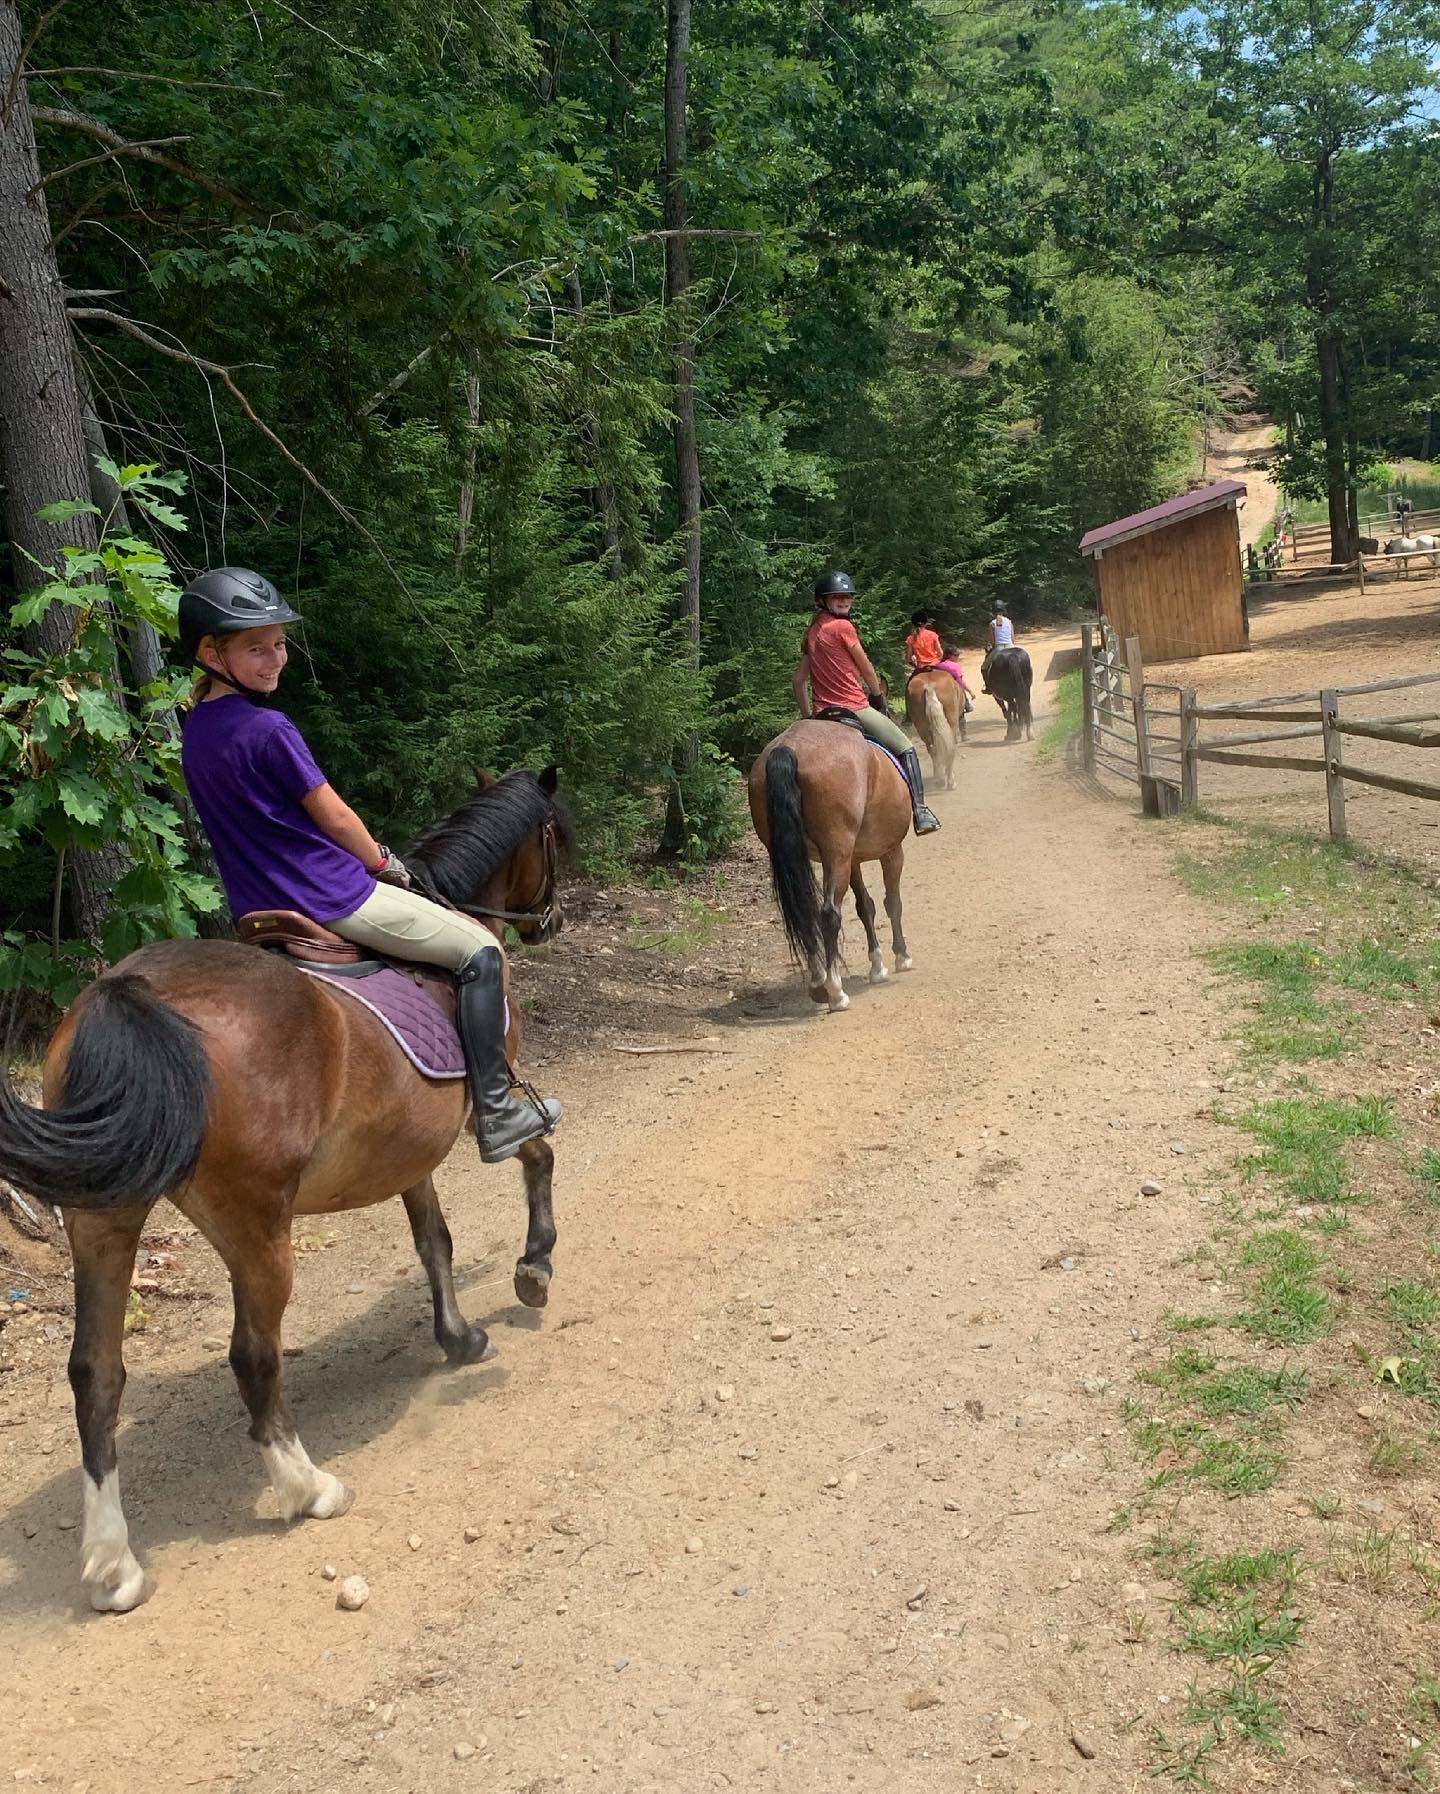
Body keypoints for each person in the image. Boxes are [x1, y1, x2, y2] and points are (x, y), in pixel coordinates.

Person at [176, 566, 560, 1164]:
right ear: (211, 652)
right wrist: (381, 859)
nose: (276, 658)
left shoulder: (196, 728)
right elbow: (331, 815)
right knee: (481, 952)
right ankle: (498, 1109)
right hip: (331, 896)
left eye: (279, 643)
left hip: (255, 906)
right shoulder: (269, 728)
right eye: (256, 647)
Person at [794, 570, 940, 835]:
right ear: (822, 601)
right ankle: (920, 811)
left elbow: (798, 680)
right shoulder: (843, 627)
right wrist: (876, 696)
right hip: (854, 707)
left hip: (823, 713)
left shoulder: (812, 631)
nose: (843, 600)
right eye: (837, 597)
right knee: (906, 748)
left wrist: (807, 717)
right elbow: (867, 668)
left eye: (847, 596)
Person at [980, 598, 1016, 694]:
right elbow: (1012, 638)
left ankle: (988, 688)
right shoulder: (1009, 621)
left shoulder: (992, 623)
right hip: (1011, 646)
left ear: (993, 611)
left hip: (999, 648)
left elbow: (993, 641)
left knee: (984, 668)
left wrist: (992, 648)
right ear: (1004, 610)